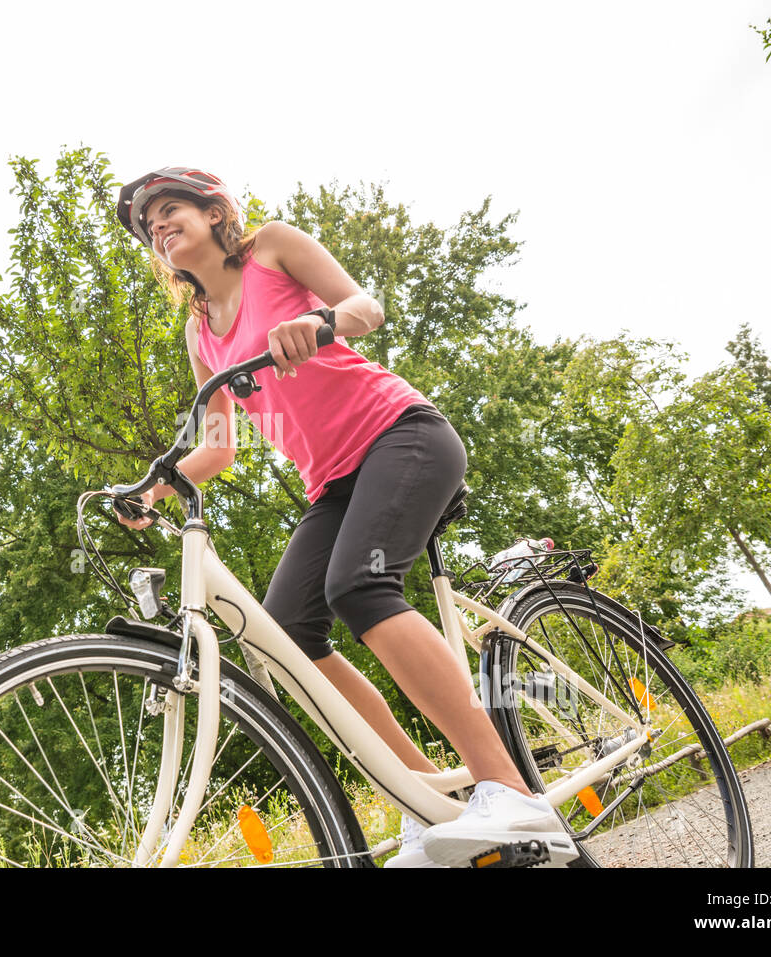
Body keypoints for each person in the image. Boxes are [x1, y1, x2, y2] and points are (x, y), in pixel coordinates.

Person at [113, 167, 574, 868]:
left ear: (213, 211)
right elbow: (216, 447)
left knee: (358, 587)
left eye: (170, 210)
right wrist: (154, 487)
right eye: (150, 226)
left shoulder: (270, 247)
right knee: (284, 635)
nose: (160, 228)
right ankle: (426, 796)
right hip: (332, 483)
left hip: (401, 435)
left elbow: (367, 306)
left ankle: (509, 791)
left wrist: (317, 322)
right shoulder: (198, 331)